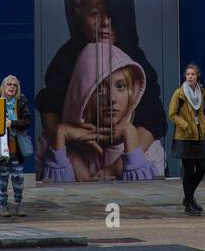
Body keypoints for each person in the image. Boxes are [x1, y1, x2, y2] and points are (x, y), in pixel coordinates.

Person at [35, 0, 167, 168]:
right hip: (78, 154)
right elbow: (49, 106)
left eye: (113, 15)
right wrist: (69, 155)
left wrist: (118, 166)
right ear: (79, 17)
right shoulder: (66, 58)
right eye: (95, 14)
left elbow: (153, 120)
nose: (105, 22)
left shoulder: (136, 60)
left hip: (126, 156)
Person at [40, 44, 164, 181]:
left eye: (120, 86)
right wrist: (60, 136)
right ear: (82, 93)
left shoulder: (150, 149)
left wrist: (130, 140)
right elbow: (52, 198)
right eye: (100, 88)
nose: (111, 99)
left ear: (131, 93)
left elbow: (146, 198)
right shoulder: (50, 145)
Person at [169, 63, 205, 215]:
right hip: (184, 137)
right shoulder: (179, 94)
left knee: (202, 168)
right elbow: (172, 114)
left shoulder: (201, 92)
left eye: (193, 74)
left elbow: (200, 112)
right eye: (188, 75)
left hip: (198, 135)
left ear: (197, 76)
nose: (190, 77)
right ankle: (189, 204)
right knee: (188, 170)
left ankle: (188, 197)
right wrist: (185, 125)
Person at [0, 74, 31, 217]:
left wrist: (12, 123)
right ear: (3, 87)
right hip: (2, 147)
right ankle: (3, 206)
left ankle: (18, 205)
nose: (12, 87)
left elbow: (28, 121)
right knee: (2, 177)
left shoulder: (21, 101)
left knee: (18, 177)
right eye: (9, 84)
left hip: (16, 148)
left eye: (14, 85)